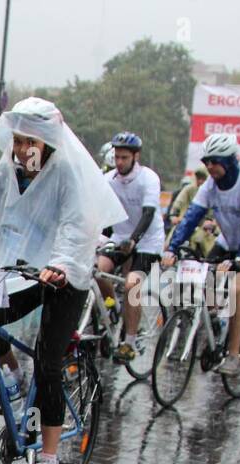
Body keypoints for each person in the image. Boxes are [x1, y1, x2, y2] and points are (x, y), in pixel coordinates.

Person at [0, 97, 125, 464]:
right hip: (26, 268)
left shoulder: (67, 171)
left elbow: (75, 225)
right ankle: (12, 376)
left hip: (65, 274)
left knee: (49, 364)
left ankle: (47, 462)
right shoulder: (7, 170)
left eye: (29, 141)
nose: (21, 149)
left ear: (47, 142)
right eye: (16, 140)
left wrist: (62, 264)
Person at [163, 132, 240, 376]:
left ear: (230, 160)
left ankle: (234, 354)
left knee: (236, 290)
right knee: (205, 284)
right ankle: (217, 320)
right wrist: (172, 248)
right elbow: (191, 218)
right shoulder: (209, 187)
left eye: (215, 161)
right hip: (228, 242)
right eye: (206, 162)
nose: (210, 167)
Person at [96, 131, 164, 363]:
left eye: (124, 157)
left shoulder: (148, 178)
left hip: (147, 241)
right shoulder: (109, 180)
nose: (119, 162)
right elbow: (95, 211)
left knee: (132, 283)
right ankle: (113, 308)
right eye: (116, 157)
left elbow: (148, 213)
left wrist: (134, 240)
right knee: (95, 270)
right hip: (120, 236)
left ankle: (130, 341)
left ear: (136, 156)